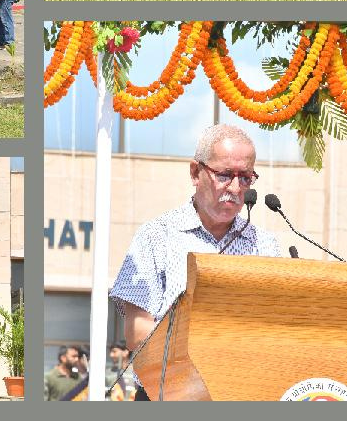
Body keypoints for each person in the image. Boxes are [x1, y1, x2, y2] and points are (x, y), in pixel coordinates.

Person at [113, 124, 284, 352]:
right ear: (195, 173)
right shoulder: (156, 236)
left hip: (240, 383)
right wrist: (206, 344)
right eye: (224, 175)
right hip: (168, 385)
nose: (235, 187)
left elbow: (277, 328)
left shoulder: (264, 246)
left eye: (245, 178)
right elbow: (137, 331)